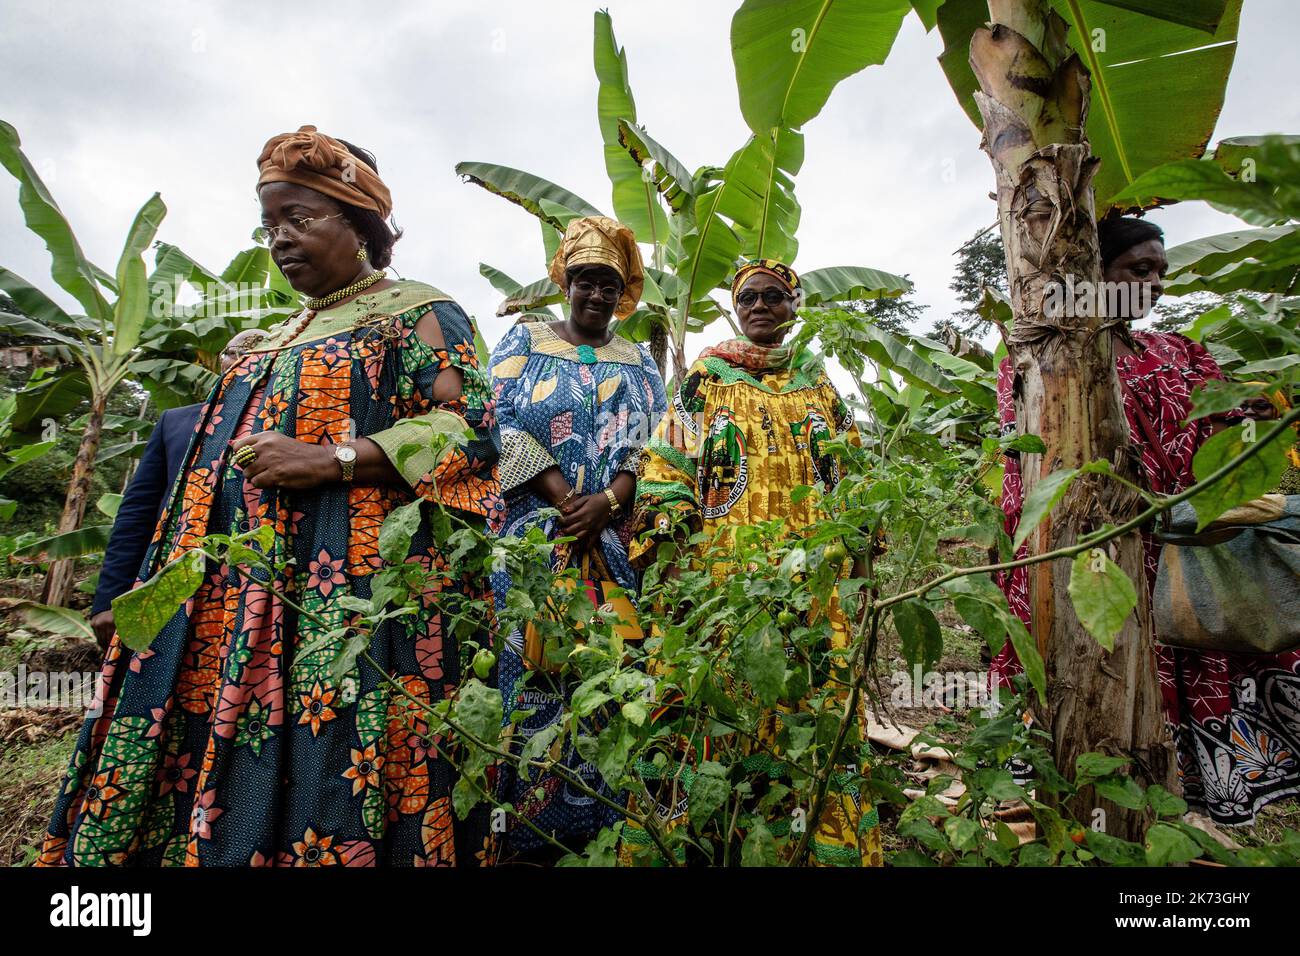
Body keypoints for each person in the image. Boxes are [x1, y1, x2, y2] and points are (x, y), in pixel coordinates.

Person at [38, 125, 502, 867]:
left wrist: (332, 460)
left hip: (340, 596)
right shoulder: (280, 333)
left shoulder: (421, 311)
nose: (280, 240)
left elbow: (470, 429)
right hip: (225, 605)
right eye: (270, 225)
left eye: (301, 219)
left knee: (329, 755)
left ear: (363, 227)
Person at [991, 216, 1300, 827]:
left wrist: (1261, 412)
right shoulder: (1046, 358)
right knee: (1112, 684)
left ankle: (1171, 816)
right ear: (1091, 272)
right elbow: (1031, 468)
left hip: (1195, 548)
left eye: (1160, 271)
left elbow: (1224, 443)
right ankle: (1096, 815)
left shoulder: (1178, 352)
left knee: (1197, 654)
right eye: (1139, 269)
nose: (1155, 283)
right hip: (1112, 551)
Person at [630, 258, 883, 867]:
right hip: (723, 581)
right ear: (736, 307)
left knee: (809, 705)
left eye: (774, 297)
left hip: (811, 584)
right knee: (716, 703)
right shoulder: (706, 379)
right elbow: (668, 460)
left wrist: (861, 552)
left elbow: (850, 474)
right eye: (750, 297)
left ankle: (807, 846)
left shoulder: (819, 385)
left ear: (795, 308)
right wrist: (669, 550)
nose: (761, 305)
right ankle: (713, 845)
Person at [487, 215, 666, 863]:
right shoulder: (523, 342)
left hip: (614, 552)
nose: (595, 294)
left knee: (609, 682)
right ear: (565, 280)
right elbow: (495, 419)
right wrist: (567, 498)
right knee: (532, 676)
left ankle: (606, 829)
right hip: (535, 545)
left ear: (625, 293)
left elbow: (658, 445)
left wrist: (612, 499)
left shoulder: (641, 360)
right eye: (585, 280)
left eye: (608, 284)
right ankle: (527, 831)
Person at [90, 329, 268, 649]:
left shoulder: (292, 423)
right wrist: (108, 599)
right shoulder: (176, 422)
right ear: (220, 362)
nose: (243, 360)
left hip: (264, 589)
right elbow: (137, 513)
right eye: (233, 352)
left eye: (259, 351)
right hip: (176, 582)